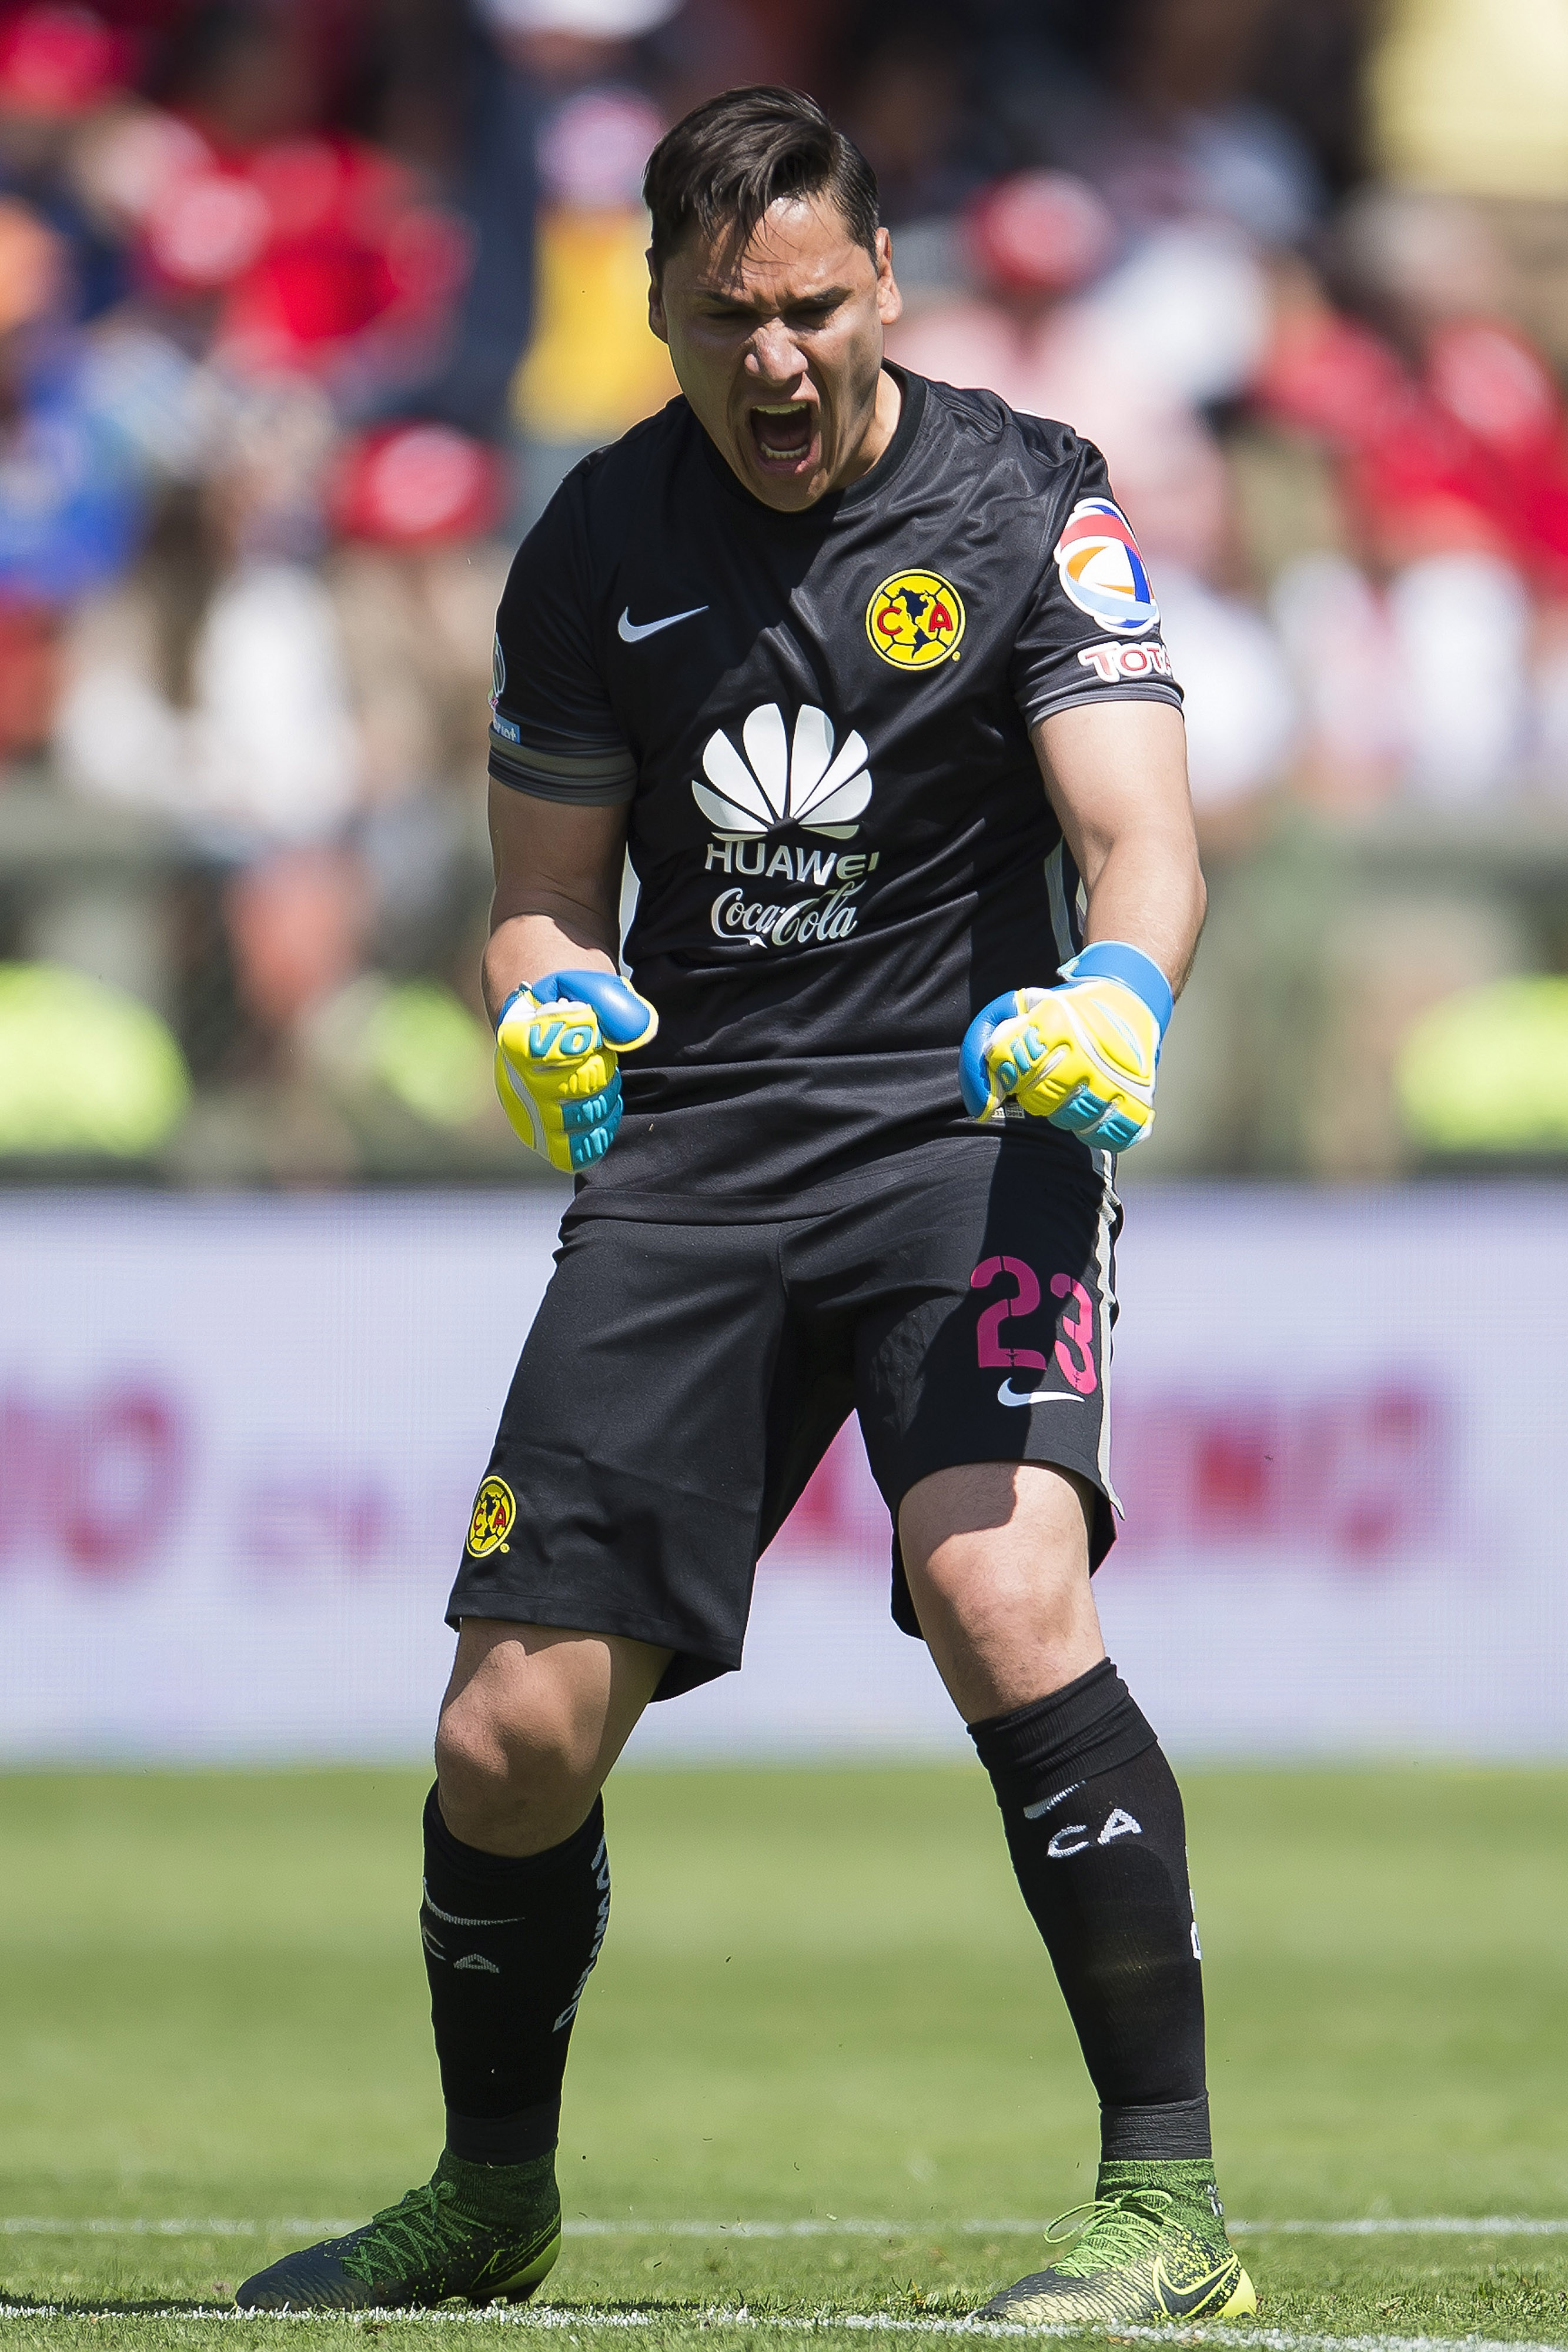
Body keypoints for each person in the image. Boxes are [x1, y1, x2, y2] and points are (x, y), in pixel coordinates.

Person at [237, 85, 1252, 2328]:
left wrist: (1112, 990)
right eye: (726, 323)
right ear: (659, 312)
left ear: (880, 275)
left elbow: (1147, 835)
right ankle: (489, 2205)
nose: (776, 361)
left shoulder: (1030, 501)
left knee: (1000, 1587)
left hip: (971, 1128)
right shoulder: (594, 542)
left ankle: (1167, 2217)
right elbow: (533, 904)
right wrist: (542, 1009)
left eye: (809, 306)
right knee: (505, 1738)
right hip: (693, 1156)